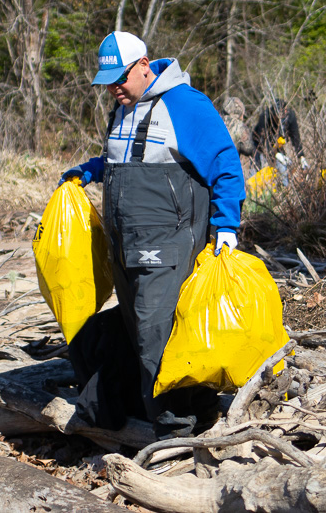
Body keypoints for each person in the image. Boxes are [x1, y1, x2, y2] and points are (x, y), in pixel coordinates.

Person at [61, 30, 245, 438]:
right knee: (136, 331)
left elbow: (226, 165)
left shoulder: (186, 105)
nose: (114, 88)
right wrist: (91, 170)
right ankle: (196, 410)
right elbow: (124, 159)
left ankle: (174, 433)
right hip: (126, 246)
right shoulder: (123, 108)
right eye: (107, 81)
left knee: (155, 336)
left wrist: (227, 226)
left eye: (120, 78)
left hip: (169, 246)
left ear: (144, 65)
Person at [251, 98, 308, 186]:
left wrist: (301, 157)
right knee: (256, 168)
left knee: (282, 168)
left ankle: (284, 187)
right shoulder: (265, 117)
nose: (278, 119)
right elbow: (261, 141)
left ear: (285, 111)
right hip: (259, 146)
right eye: (276, 116)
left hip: (277, 146)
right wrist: (275, 154)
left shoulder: (290, 117)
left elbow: (296, 138)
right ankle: (255, 189)